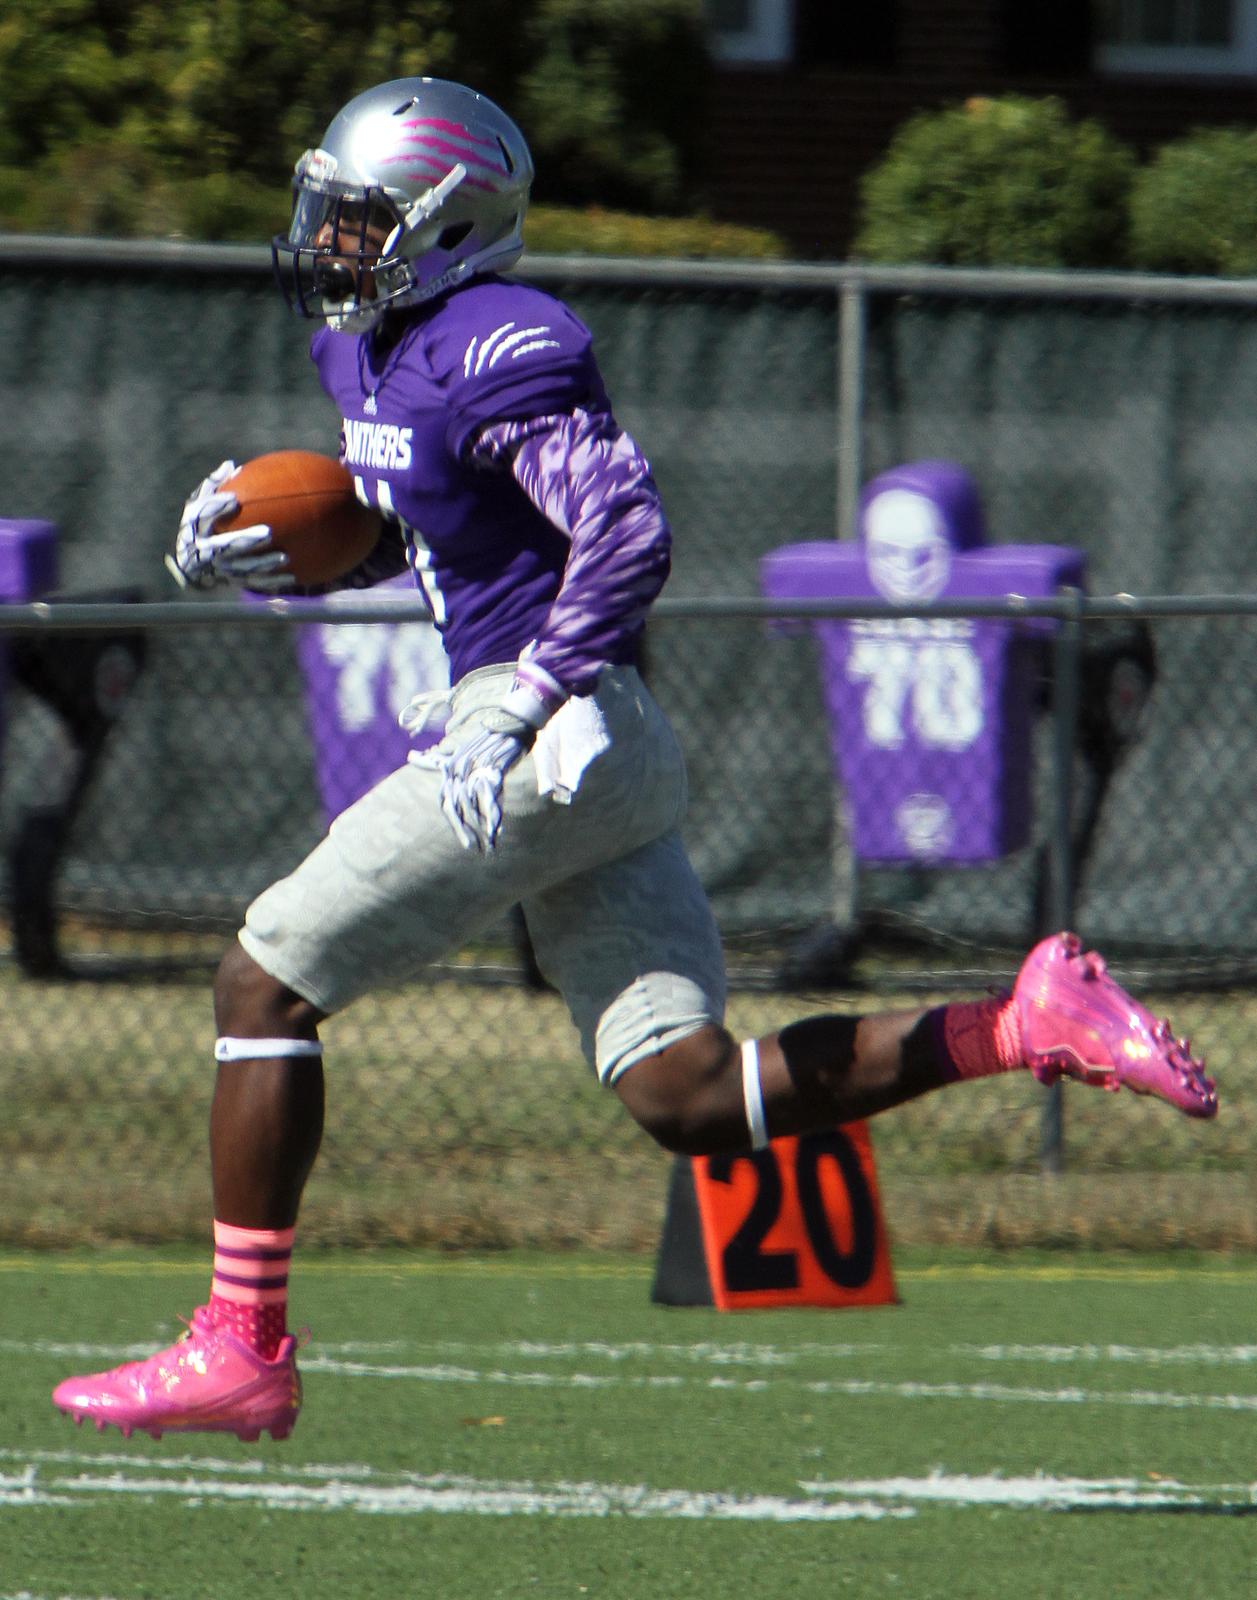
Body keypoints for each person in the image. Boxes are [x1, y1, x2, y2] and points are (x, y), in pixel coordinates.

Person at [52, 78, 1216, 1444]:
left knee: (262, 977)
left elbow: (623, 531)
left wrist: (521, 696)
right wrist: (274, 553)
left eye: (358, 218)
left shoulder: (501, 344)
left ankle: (240, 1343)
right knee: (691, 1097)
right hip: (596, 743)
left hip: (545, 733)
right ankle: (1024, 1022)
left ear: (445, 223)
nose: (327, 241)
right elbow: (425, 528)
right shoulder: (364, 351)